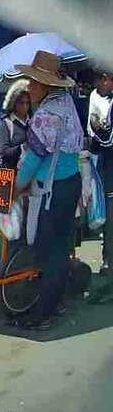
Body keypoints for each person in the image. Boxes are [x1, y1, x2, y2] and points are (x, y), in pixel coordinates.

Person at [9, 51, 85, 330]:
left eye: (32, 81)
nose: (28, 86)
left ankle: (43, 312)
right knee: (61, 247)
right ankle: (57, 300)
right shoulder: (66, 103)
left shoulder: (45, 115)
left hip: (52, 190)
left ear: (45, 84)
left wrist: (16, 188)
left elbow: (33, 160)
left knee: (47, 249)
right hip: (71, 183)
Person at [87, 71, 113, 275]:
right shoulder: (95, 97)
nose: (98, 85)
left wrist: (97, 129)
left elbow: (108, 139)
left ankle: (109, 263)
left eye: (100, 80)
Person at [0, 79, 31, 170]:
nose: (24, 107)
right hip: (13, 175)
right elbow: (2, 152)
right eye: (21, 103)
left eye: (27, 103)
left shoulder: (34, 122)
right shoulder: (6, 124)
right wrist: (21, 148)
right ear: (13, 102)